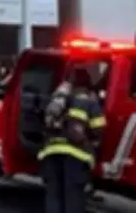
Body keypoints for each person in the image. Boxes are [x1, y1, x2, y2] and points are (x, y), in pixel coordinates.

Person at [39, 67, 105, 213]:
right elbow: (98, 128)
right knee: (73, 198)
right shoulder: (89, 102)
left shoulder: (57, 98)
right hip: (76, 155)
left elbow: (44, 121)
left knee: (53, 196)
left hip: (50, 152)